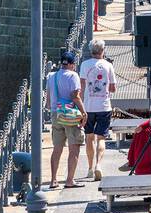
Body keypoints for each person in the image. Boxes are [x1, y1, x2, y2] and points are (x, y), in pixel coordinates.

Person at [46, 52, 86, 188]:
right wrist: (83, 112)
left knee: (57, 148)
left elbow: (48, 100)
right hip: (70, 115)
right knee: (74, 148)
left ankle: (53, 180)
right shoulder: (73, 76)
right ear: (71, 64)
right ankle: (69, 180)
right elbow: (75, 96)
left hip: (55, 113)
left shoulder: (51, 76)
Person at [79, 39, 115, 182]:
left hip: (88, 106)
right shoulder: (108, 65)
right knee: (101, 138)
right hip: (104, 106)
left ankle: (89, 168)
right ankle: (98, 165)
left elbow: (81, 87)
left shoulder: (84, 65)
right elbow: (113, 88)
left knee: (89, 137)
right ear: (103, 50)